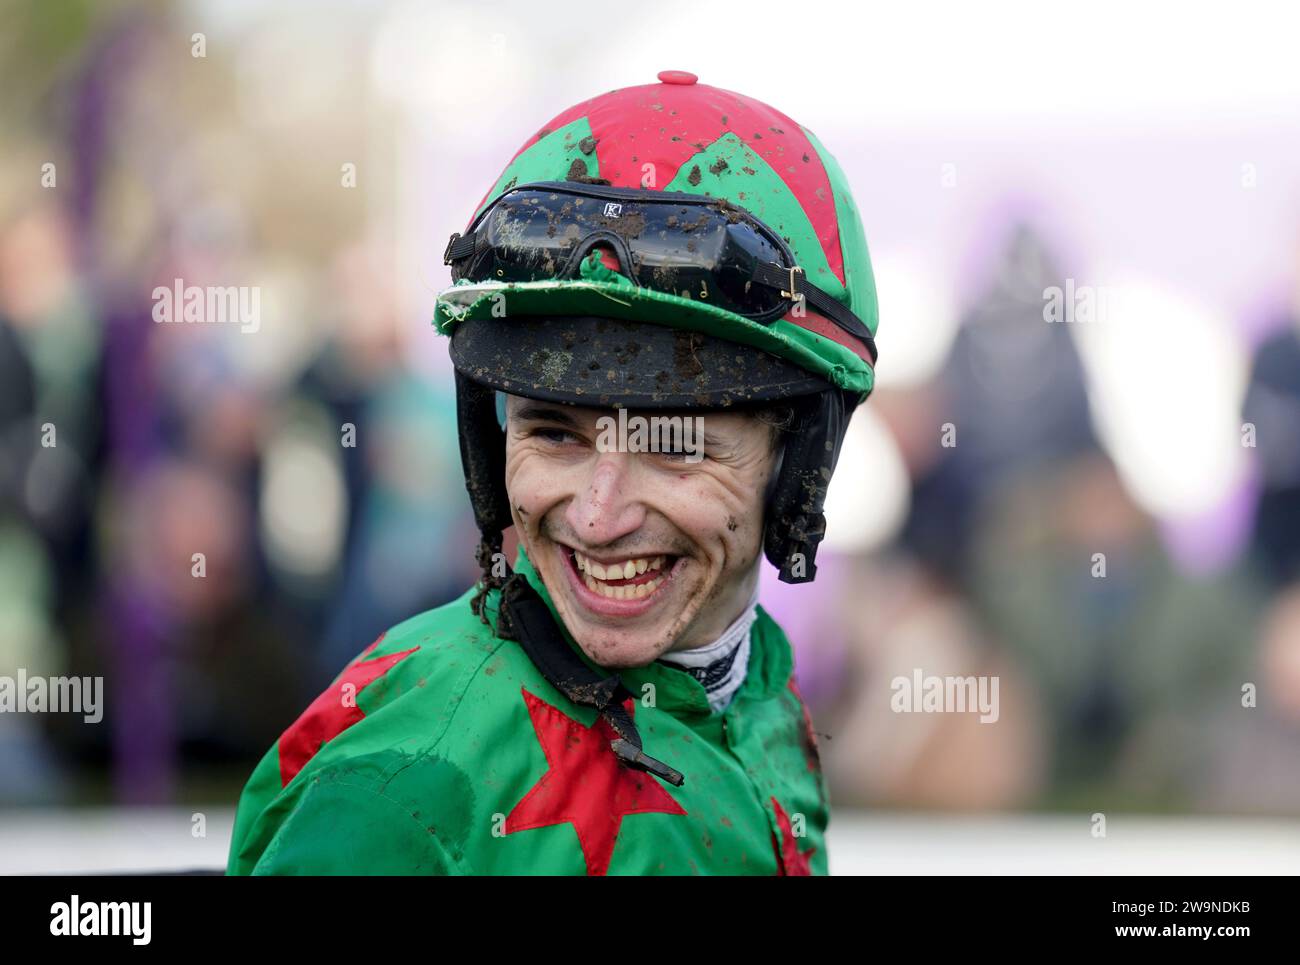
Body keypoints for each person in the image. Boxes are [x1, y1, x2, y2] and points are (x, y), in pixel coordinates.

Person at [227, 70, 880, 875]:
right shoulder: (405, 785)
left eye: (673, 445)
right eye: (554, 433)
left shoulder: (761, 694)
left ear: (798, 459)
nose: (598, 516)